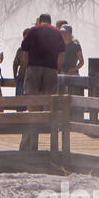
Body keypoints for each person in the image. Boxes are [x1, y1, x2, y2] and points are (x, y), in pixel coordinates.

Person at [18, 13, 65, 151]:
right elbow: (62, 52)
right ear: (50, 22)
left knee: (32, 101)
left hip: (34, 68)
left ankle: (32, 130)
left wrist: (28, 64)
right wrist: (57, 67)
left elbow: (24, 48)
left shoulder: (33, 30)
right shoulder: (56, 32)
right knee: (49, 102)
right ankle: (51, 136)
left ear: (40, 21)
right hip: (50, 69)